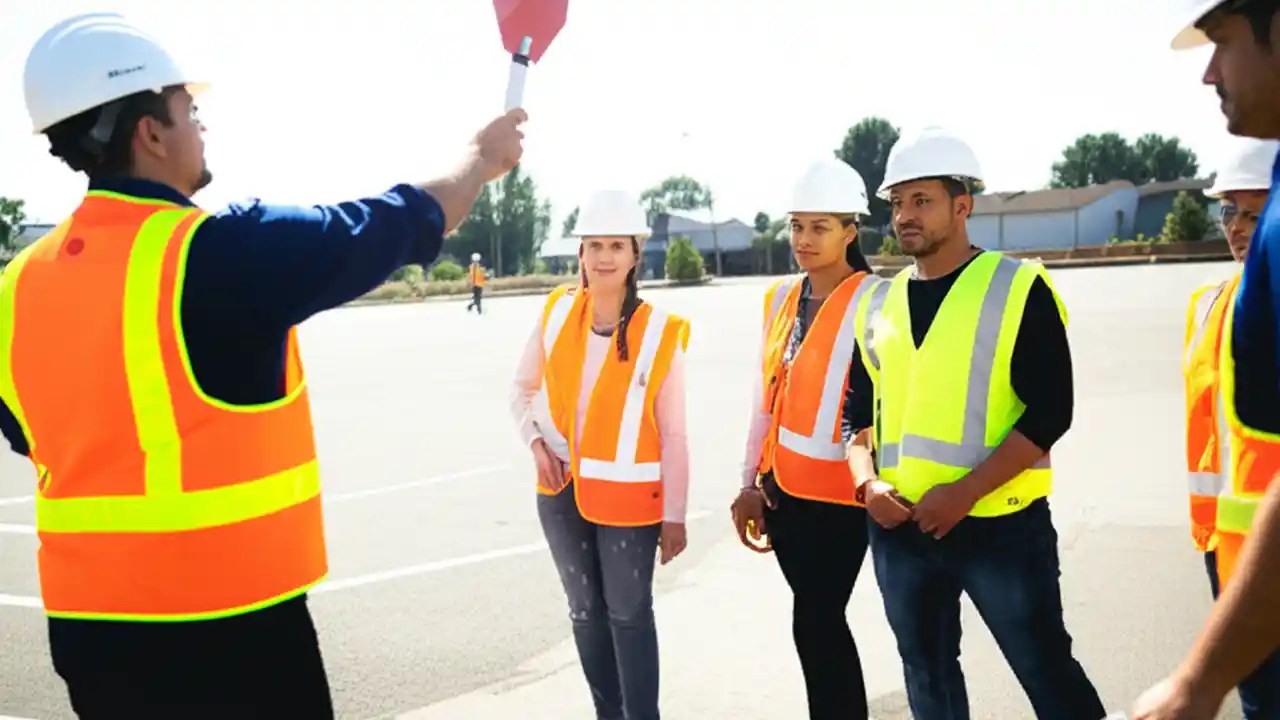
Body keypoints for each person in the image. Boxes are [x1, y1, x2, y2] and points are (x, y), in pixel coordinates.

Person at [0, 12, 524, 719]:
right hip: (227, 635)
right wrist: (481, 158)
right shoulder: (218, 253)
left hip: (90, 638)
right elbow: (399, 222)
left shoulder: (17, 286)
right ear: (150, 133)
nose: (201, 126)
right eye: (189, 110)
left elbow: (33, 434)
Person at [845, 126, 1106, 720]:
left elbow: (1051, 411)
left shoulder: (1016, 288)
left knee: (1048, 673)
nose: (905, 215)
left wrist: (964, 493)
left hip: (1000, 528)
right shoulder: (878, 302)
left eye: (922, 200)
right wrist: (867, 483)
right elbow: (857, 414)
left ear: (962, 206)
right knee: (928, 679)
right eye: (897, 202)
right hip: (902, 529)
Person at [1132, 3, 1280, 718]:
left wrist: (1195, 683)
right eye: (1230, 213)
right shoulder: (1208, 305)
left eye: (1223, 42)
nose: (1209, 73)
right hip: (1232, 548)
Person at [508, 189, 691, 720]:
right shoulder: (557, 312)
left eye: (616, 245)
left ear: (636, 254)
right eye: (594, 245)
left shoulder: (659, 332)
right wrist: (536, 444)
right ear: (580, 253)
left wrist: (674, 516)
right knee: (585, 613)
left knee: (628, 614)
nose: (604, 256)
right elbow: (520, 390)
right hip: (560, 491)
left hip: (629, 500)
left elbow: (675, 434)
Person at [728, 157, 883, 720]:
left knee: (817, 619)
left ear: (850, 232)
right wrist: (750, 483)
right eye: (797, 226)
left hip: (845, 498)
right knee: (814, 626)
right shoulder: (780, 299)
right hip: (784, 494)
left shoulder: (878, 299)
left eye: (820, 227)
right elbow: (764, 400)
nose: (804, 239)